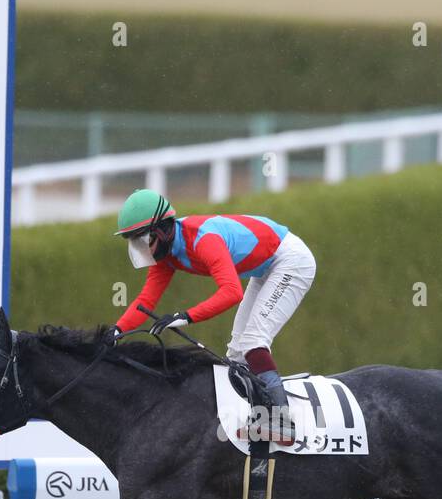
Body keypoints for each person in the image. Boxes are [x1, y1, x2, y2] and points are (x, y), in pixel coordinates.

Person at [108, 189, 315, 443]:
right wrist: (116, 331)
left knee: (253, 341)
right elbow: (145, 300)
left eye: (143, 241)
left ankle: (281, 421)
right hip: (265, 267)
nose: (142, 250)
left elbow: (231, 292)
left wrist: (184, 316)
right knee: (237, 353)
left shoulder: (203, 240)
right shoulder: (166, 256)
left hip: (290, 261)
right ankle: (257, 416)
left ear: (163, 230)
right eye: (135, 243)